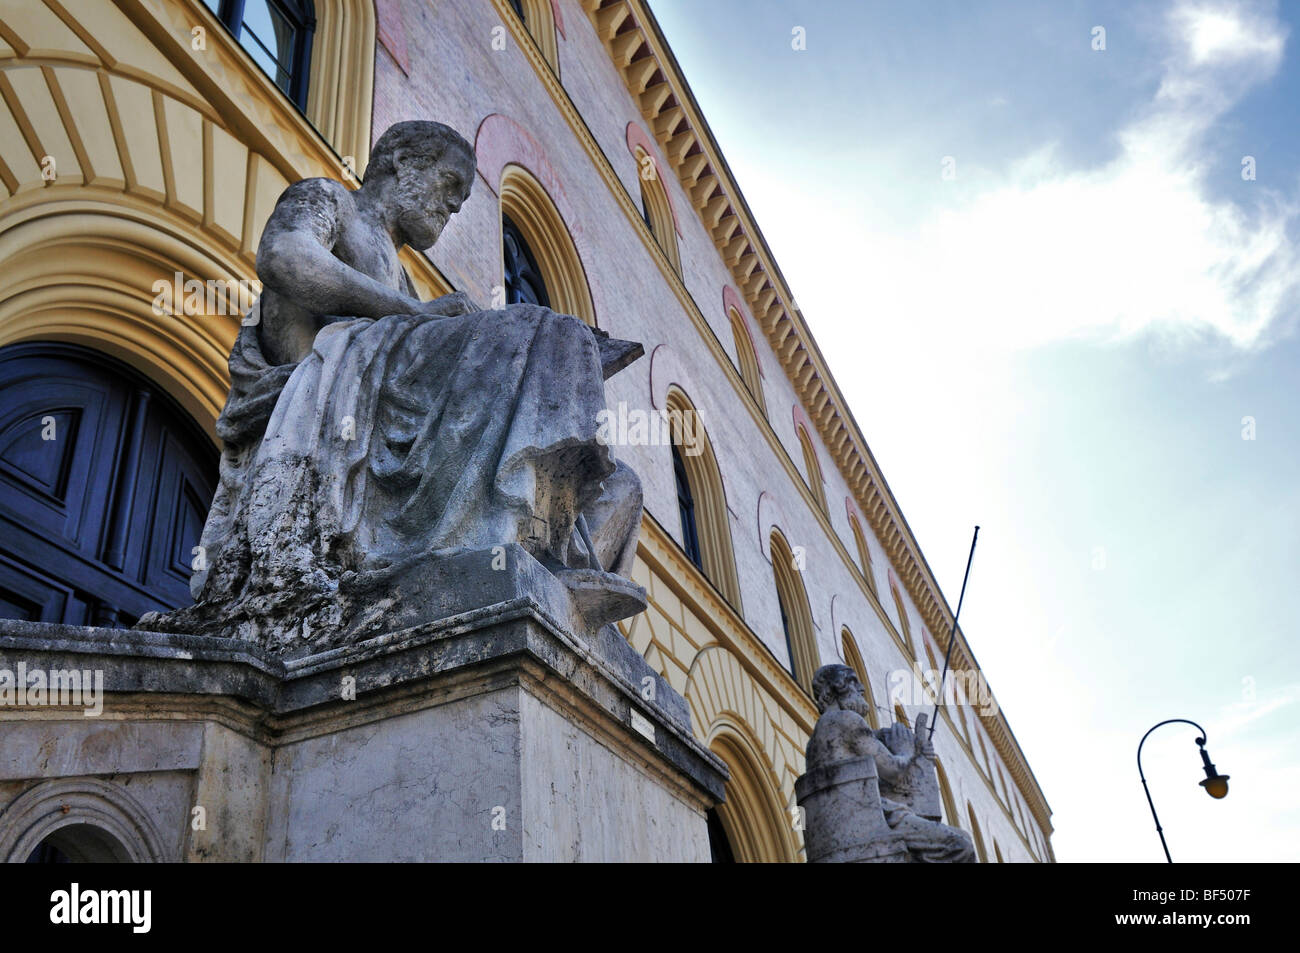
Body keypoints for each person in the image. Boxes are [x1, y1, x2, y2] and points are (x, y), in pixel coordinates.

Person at [145, 121, 643, 656]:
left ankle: (540, 543)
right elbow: (285, 257)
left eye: (461, 199)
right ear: (399, 162)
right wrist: (417, 315)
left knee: (622, 484)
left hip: (382, 405)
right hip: (326, 392)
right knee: (540, 330)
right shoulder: (329, 200)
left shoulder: (403, 276)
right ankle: (513, 537)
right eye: (449, 184)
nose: (453, 207)